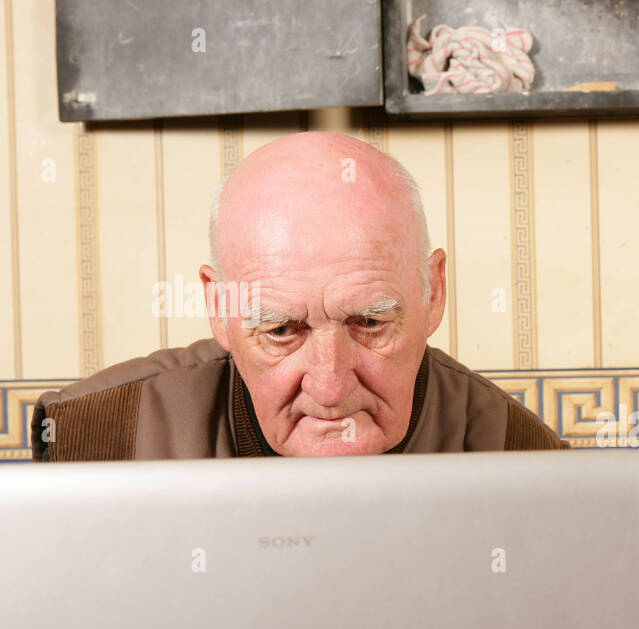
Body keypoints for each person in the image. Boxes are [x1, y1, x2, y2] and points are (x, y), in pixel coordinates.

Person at [31, 132, 564, 460]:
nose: (330, 389)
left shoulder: (526, 457)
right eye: (282, 330)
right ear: (221, 309)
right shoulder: (96, 437)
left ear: (434, 292)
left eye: (370, 323)